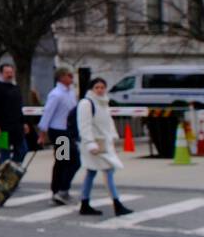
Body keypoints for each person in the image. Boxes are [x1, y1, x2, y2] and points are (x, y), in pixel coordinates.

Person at [76, 77, 133, 217]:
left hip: (102, 144)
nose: (100, 90)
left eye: (102, 87)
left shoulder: (103, 103)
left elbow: (108, 122)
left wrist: (113, 137)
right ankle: (116, 204)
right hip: (93, 145)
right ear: (91, 89)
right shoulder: (87, 103)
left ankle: (85, 202)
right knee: (108, 171)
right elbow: (84, 125)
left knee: (92, 172)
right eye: (97, 87)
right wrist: (90, 143)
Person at [38, 67, 81, 205]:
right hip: (59, 132)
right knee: (63, 162)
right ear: (61, 77)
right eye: (69, 75)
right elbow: (48, 113)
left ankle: (63, 188)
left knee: (73, 161)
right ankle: (57, 191)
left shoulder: (70, 93)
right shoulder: (56, 94)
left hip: (68, 131)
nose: (71, 78)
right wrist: (42, 133)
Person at [0, 62, 29, 165]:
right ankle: (2, 177)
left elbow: (19, 107)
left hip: (17, 127)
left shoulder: (15, 87)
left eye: (11, 72)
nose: (9, 74)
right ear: (1, 73)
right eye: (7, 72)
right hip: (1, 128)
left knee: (23, 150)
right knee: (4, 154)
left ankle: (11, 169)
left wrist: (24, 122)